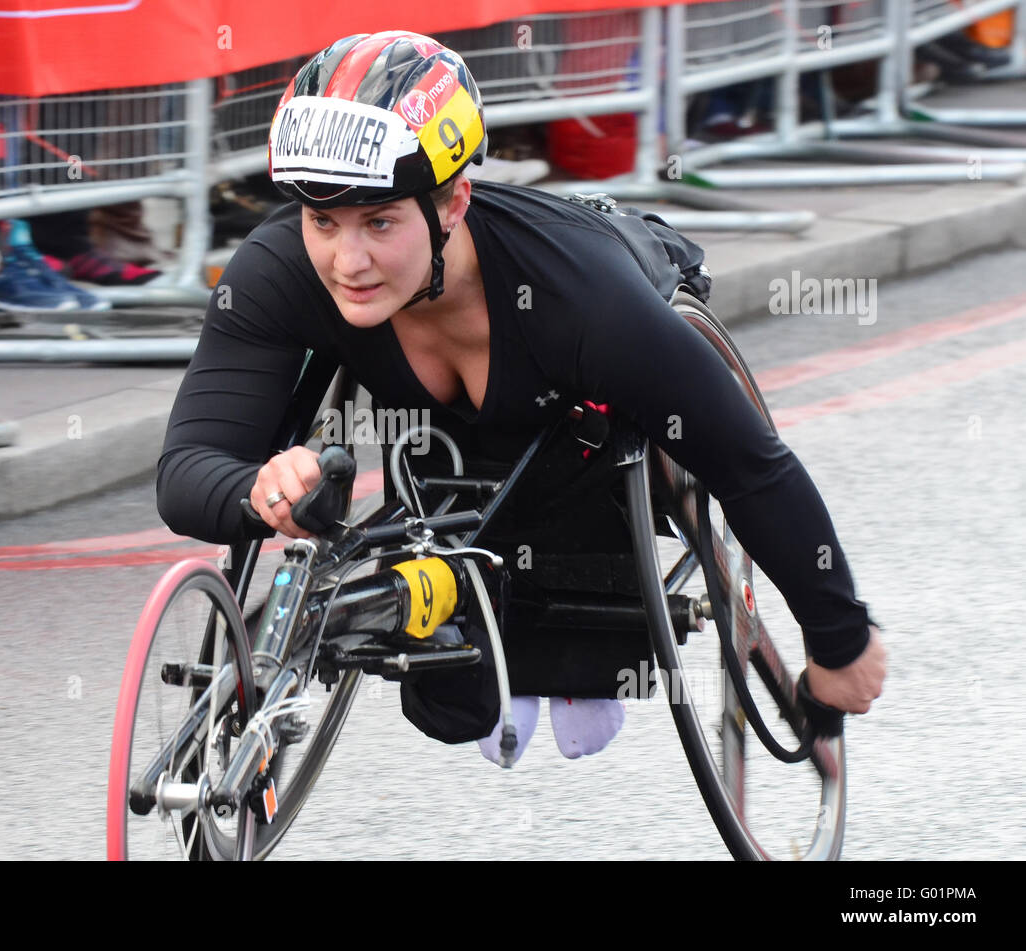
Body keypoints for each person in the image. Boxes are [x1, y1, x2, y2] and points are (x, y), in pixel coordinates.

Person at [156, 30, 886, 764]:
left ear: (450, 204)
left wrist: (840, 637)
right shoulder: (278, 271)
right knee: (453, 702)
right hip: (453, 457)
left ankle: (565, 637)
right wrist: (257, 487)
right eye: (323, 221)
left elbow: (750, 464)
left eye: (379, 222)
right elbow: (187, 466)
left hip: (590, 381)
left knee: (628, 447)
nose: (347, 262)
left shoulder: (584, 301)